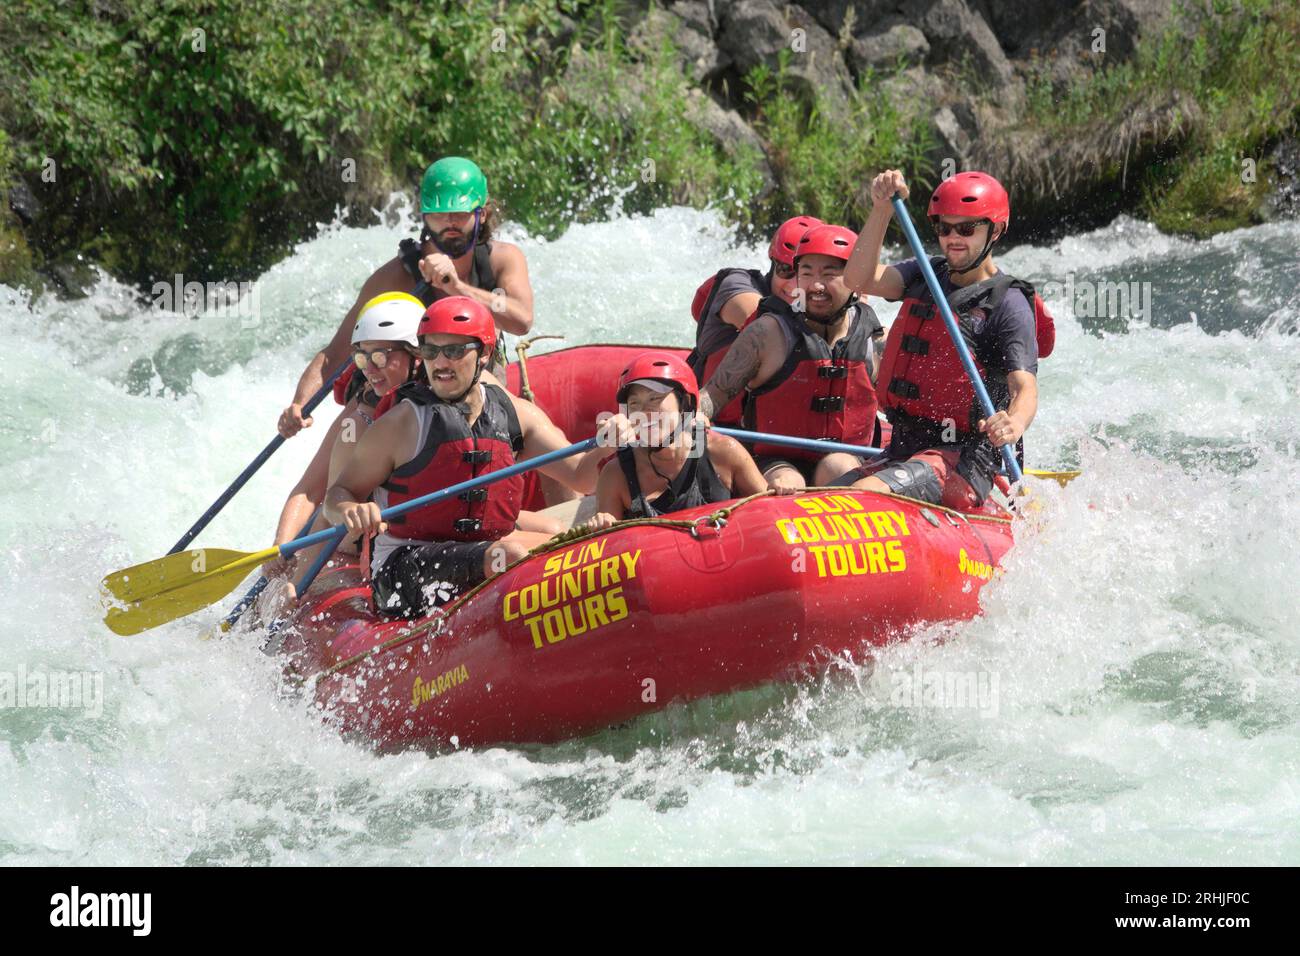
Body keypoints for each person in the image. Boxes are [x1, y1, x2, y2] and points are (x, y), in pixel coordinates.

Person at [324, 296, 606, 618]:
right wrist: (350, 509)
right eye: (431, 351)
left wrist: (609, 443)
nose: (441, 363)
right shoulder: (399, 425)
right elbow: (337, 495)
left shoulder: (515, 414)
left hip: (483, 545)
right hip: (404, 565)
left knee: (574, 541)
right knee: (510, 554)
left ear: (484, 354)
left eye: (454, 351)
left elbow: (583, 475)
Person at [836, 169, 1054, 508]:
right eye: (944, 228)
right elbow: (859, 280)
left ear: (995, 230)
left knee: (858, 499)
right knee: (828, 495)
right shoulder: (926, 271)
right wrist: (881, 210)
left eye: (966, 229)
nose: (953, 238)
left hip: (964, 459)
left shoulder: (1007, 303)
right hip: (906, 447)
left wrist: (1013, 422)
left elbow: (1024, 387)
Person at [278, 156, 533, 439]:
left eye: (459, 215)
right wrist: (300, 403)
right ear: (424, 217)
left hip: (472, 383)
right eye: (439, 215)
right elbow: (334, 355)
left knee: (521, 420)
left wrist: (457, 288)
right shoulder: (394, 277)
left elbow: (521, 320)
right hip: (402, 394)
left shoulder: (503, 260)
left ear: (481, 214)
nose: (449, 224)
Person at [697, 224, 883, 491]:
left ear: (856, 279)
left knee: (840, 468)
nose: (816, 286)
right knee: (788, 481)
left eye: (829, 274)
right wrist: (693, 415)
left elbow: (903, 406)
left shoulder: (875, 339)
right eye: (806, 273)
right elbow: (713, 395)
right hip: (773, 461)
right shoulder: (766, 333)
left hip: (847, 460)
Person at [584, 352, 784, 527]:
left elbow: (772, 512)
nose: (644, 412)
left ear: (685, 404)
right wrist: (601, 525)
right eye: (635, 404)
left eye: (654, 399)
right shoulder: (616, 474)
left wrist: (779, 492)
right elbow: (607, 544)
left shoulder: (724, 452)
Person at [687, 215, 822, 425]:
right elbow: (762, 322)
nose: (794, 285)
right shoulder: (736, 286)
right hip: (712, 427)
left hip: (777, 437)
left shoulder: (826, 310)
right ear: (772, 264)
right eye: (786, 270)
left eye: (806, 274)